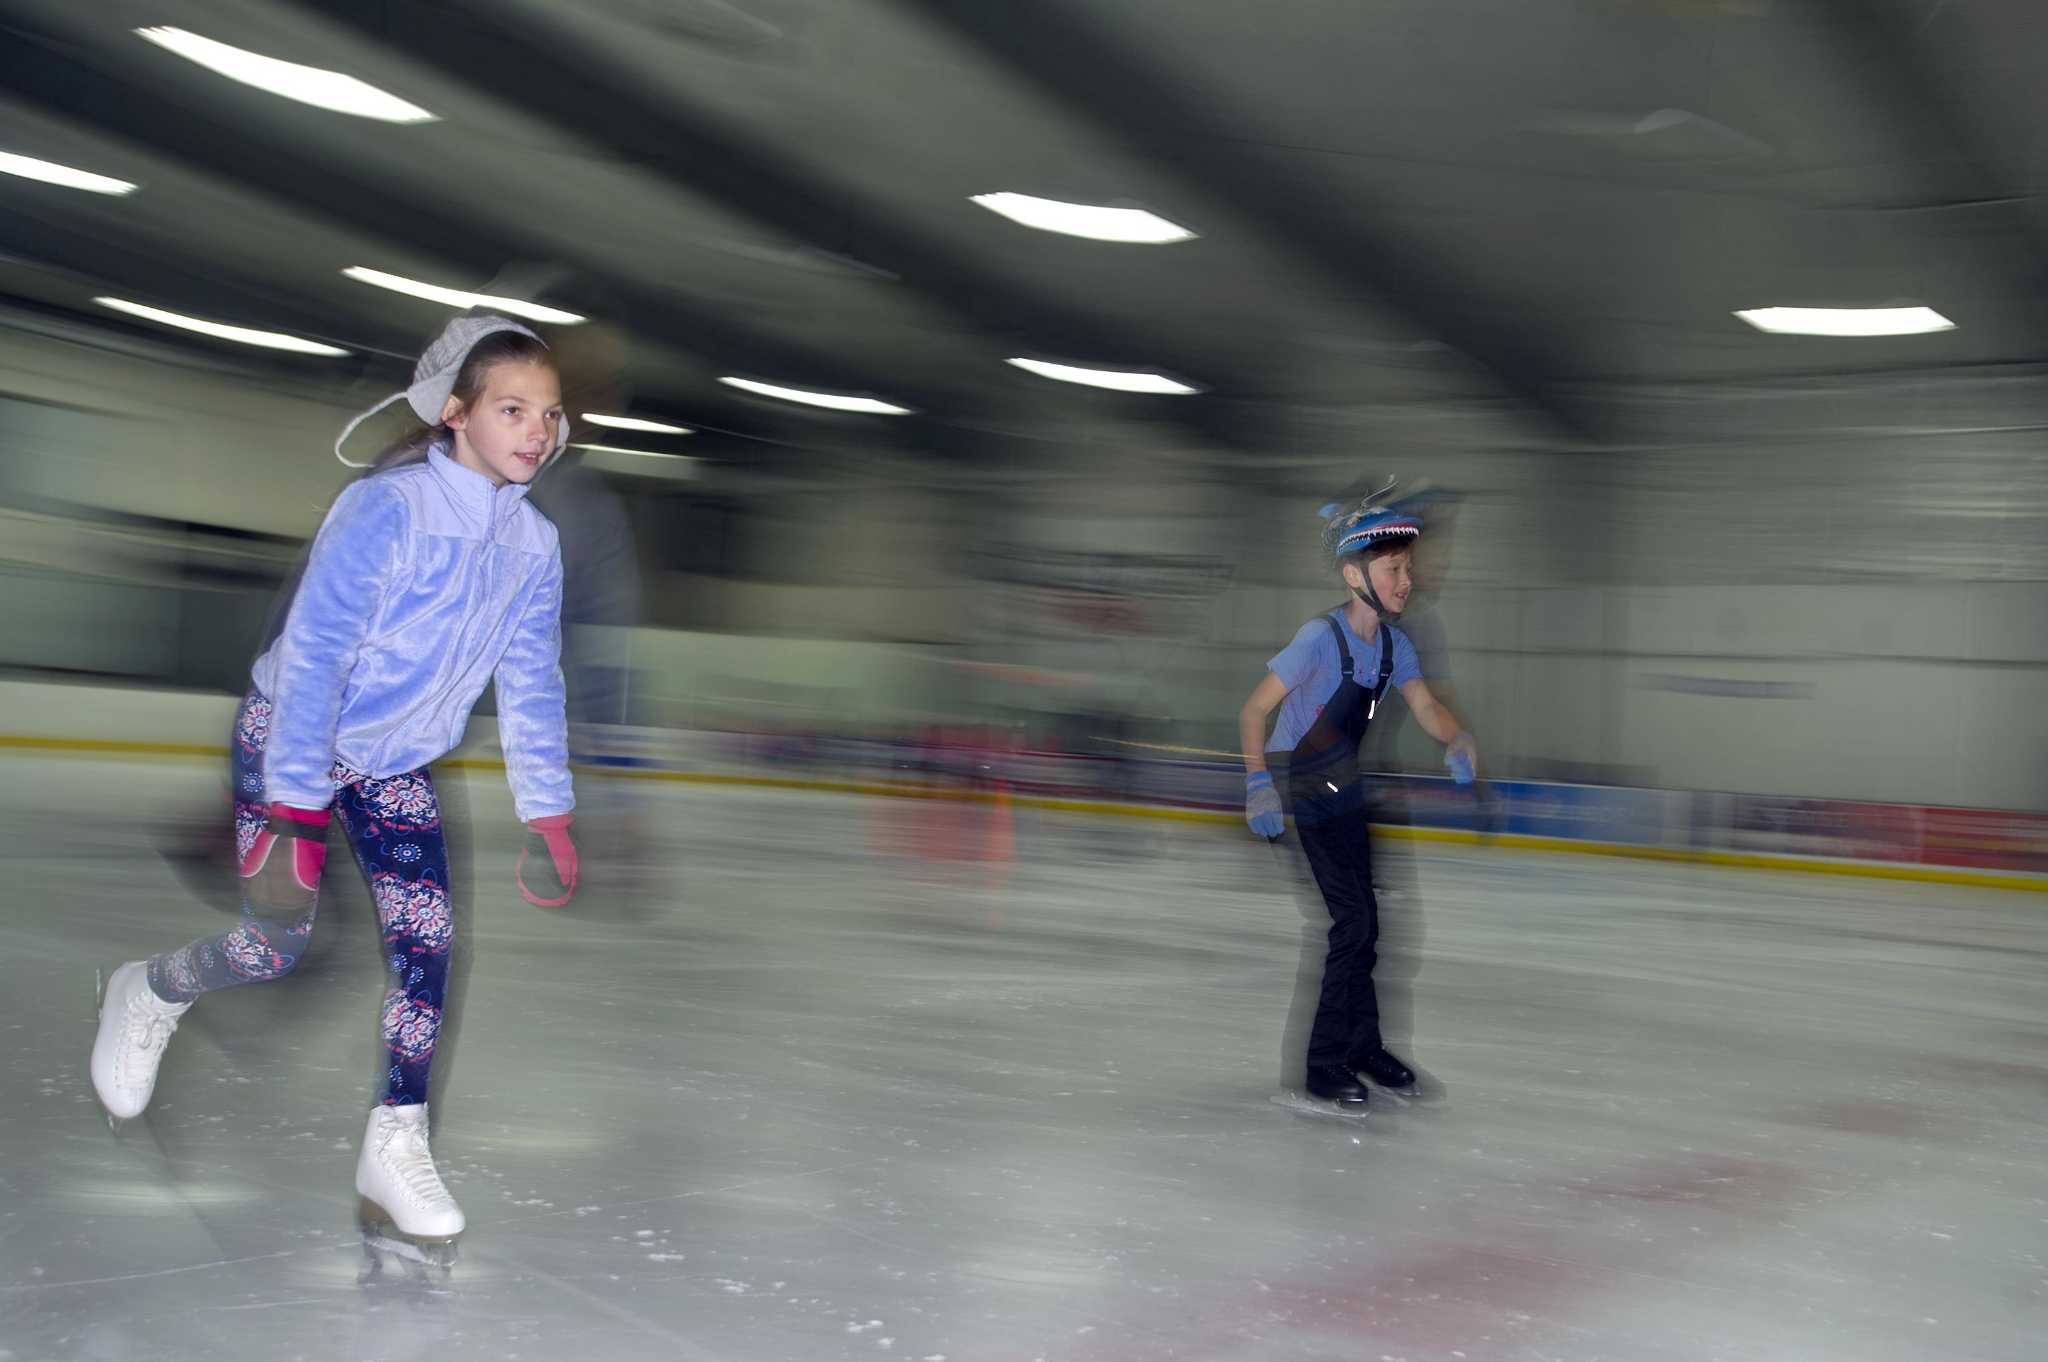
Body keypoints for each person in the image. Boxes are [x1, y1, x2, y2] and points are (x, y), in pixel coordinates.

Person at [89, 314, 583, 1254]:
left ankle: (394, 1145)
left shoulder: (536, 544)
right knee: (279, 943)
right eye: (513, 408)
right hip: (294, 739)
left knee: (430, 947)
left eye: (549, 414)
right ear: (453, 412)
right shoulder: (385, 511)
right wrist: (292, 801)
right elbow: (313, 658)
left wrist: (546, 802)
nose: (536, 430)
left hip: (394, 764)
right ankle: (151, 990)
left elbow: (530, 675)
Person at [1238, 490, 1477, 1107]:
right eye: (1395, 569)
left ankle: (1366, 1048)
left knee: (1375, 926)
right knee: (1352, 924)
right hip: (1306, 791)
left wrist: (1456, 736)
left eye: (1409, 569)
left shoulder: (1395, 648)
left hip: (1348, 788)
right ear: (1355, 575)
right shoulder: (1318, 639)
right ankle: (1322, 1064)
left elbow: (1426, 706)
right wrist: (1257, 781)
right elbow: (1254, 709)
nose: (1407, 580)